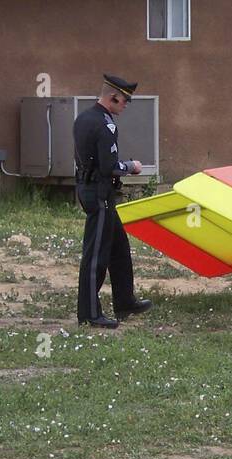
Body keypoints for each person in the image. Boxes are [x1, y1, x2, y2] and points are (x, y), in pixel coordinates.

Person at [73, 74, 151, 328]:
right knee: (96, 255)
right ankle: (89, 314)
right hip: (100, 194)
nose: (126, 105)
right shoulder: (105, 125)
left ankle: (125, 301)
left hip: (89, 189)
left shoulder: (84, 118)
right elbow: (108, 167)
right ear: (113, 97)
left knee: (119, 249)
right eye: (125, 100)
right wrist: (132, 166)